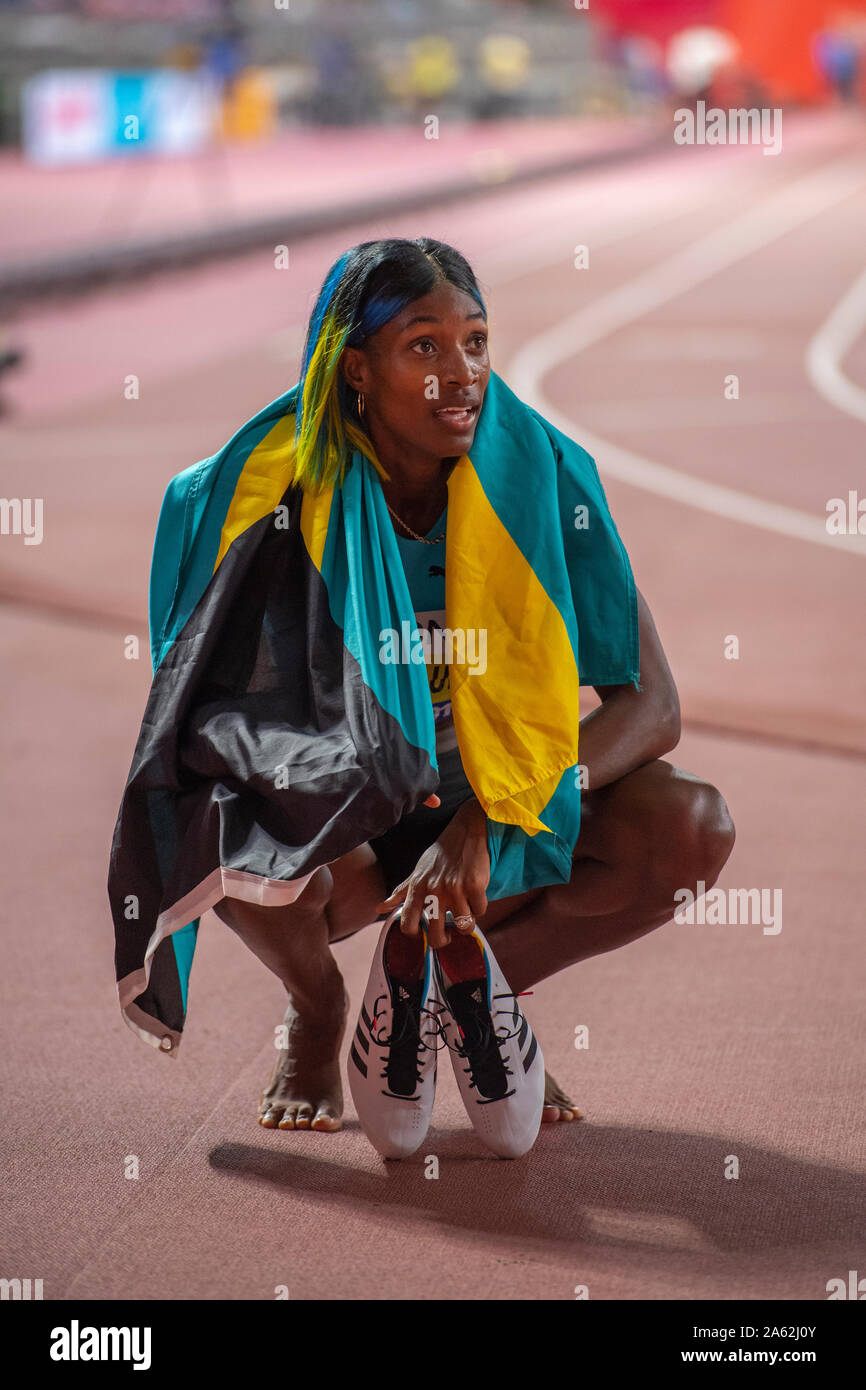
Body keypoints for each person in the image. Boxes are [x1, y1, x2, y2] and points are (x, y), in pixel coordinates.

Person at [207, 237, 736, 1133]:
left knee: (691, 826)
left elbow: (652, 706)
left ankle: (482, 993)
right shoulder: (281, 497)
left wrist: (488, 816)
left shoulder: (542, 480)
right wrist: (349, 805)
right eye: (425, 346)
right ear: (356, 370)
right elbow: (221, 723)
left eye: (477, 342)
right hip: (347, 819)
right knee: (208, 808)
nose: (463, 373)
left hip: (500, 796)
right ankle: (321, 1005)